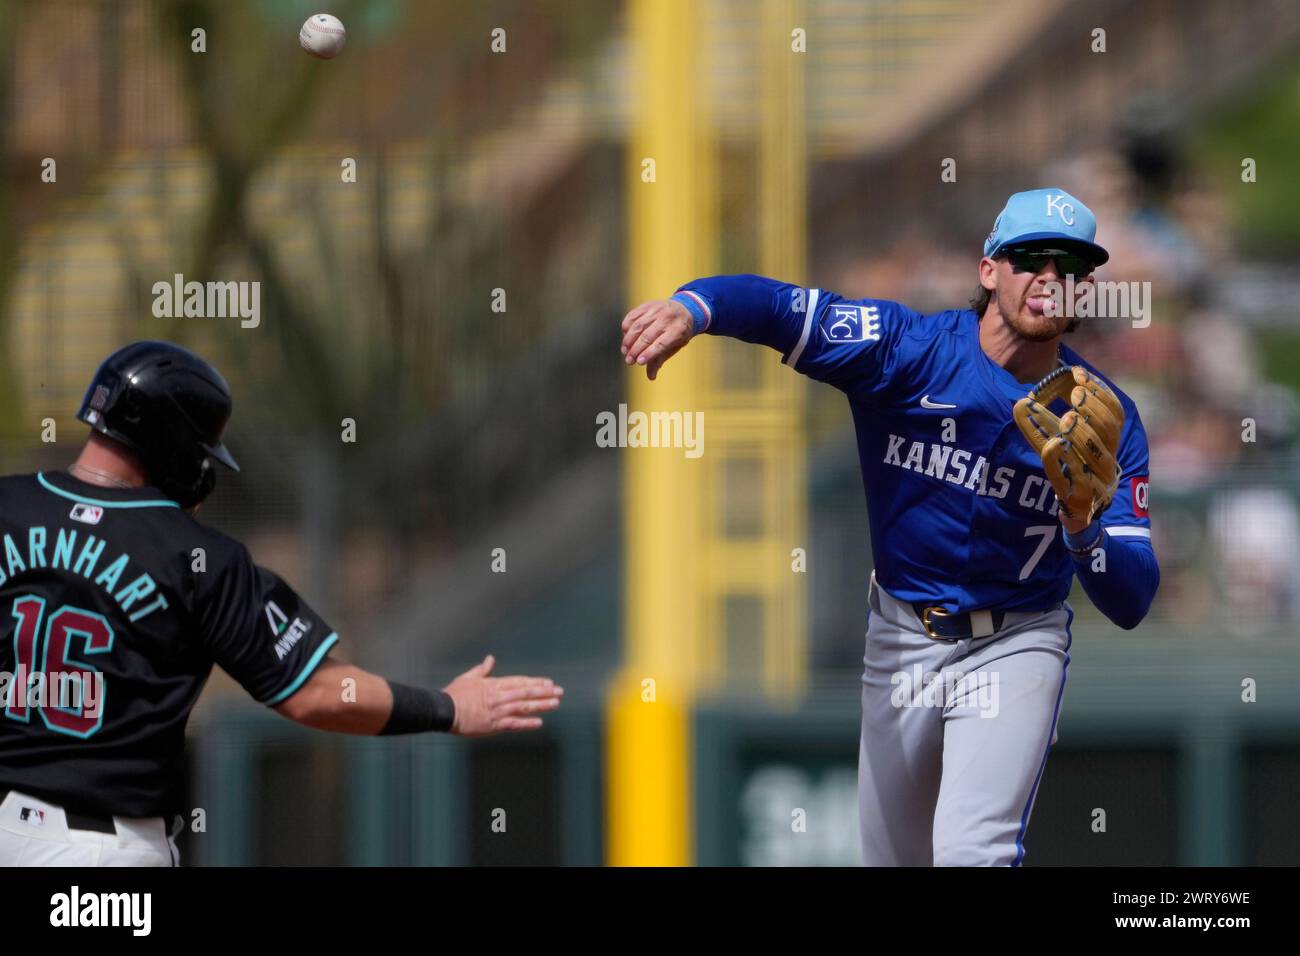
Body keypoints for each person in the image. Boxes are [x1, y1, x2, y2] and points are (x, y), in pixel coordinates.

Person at [620, 188, 1159, 866]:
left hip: (1017, 640)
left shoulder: (1109, 418)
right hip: (901, 634)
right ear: (989, 270)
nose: (1050, 278)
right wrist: (693, 307)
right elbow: (783, 309)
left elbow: (1134, 600)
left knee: (972, 852)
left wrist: (1084, 528)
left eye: (1070, 266)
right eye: (1030, 259)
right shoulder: (907, 350)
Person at [0, 341, 563, 866]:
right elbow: (315, 695)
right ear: (172, 444)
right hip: (97, 853)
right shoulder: (198, 556)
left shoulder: (8, 506)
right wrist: (447, 708)